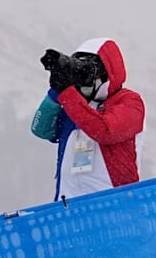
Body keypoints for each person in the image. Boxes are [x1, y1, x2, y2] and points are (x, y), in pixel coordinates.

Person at [30, 37, 145, 201]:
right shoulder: (75, 103)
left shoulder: (130, 102)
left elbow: (105, 131)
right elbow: (41, 129)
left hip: (114, 206)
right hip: (68, 205)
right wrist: (56, 91)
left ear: (108, 73)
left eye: (86, 73)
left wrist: (67, 94)